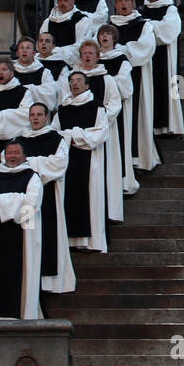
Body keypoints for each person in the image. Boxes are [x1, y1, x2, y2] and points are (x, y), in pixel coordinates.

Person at [0, 140, 44, 319]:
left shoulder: (32, 177)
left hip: (23, 232)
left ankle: (22, 313)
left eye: (16, 153)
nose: (12, 156)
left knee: (21, 273)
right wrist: (15, 201)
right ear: (4, 155)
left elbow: (31, 205)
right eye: (9, 153)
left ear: (24, 156)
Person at [19, 103, 76, 294]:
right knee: (27, 234)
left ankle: (50, 283)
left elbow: (59, 164)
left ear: (47, 117)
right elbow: (10, 161)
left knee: (50, 233)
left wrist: (30, 163)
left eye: (39, 115)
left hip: (49, 193)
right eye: (32, 115)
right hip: (25, 198)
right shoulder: (19, 140)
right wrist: (40, 163)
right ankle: (28, 277)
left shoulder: (56, 139)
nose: (35, 118)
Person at [55, 70, 112, 252]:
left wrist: (72, 135)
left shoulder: (97, 108)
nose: (75, 84)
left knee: (91, 196)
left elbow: (100, 134)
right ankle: (70, 241)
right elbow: (54, 133)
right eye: (72, 81)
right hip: (68, 160)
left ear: (87, 85)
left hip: (90, 159)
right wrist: (71, 137)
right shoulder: (63, 109)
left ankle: (92, 242)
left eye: (79, 80)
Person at [109, 0, 160, 172]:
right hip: (112, 76)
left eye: (126, 0)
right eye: (119, 1)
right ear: (115, 5)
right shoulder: (109, 26)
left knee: (137, 115)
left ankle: (137, 159)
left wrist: (118, 50)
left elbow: (145, 47)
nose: (123, 4)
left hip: (137, 73)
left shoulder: (143, 25)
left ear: (132, 3)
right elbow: (100, 46)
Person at [95, 29, 138, 203]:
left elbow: (126, 88)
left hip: (115, 109)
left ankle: (120, 182)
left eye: (107, 34)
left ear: (114, 38)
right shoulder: (93, 59)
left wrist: (105, 81)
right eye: (101, 34)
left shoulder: (121, 59)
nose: (104, 37)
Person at [141, 0, 184, 137]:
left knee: (171, 88)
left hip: (166, 56)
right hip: (148, 57)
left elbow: (169, 30)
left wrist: (148, 26)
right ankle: (150, 127)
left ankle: (171, 127)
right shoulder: (141, 10)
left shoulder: (171, 9)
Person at [40, 0, 98, 66]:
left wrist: (56, 51)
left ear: (73, 1)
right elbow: (41, 45)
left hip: (72, 66)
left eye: (66, 0)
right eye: (60, 0)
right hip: (49, 64)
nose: (62, 3)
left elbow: (81, 47)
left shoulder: (82, 21)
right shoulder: (48, 22)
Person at [13, 36, 59, 111]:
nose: (24, 51)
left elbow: (50, 93)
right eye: (22, 48)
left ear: (34, 53)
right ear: (17, 53)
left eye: (28, 48)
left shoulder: (44, 72)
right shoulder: (11, 72)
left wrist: (25, 89)